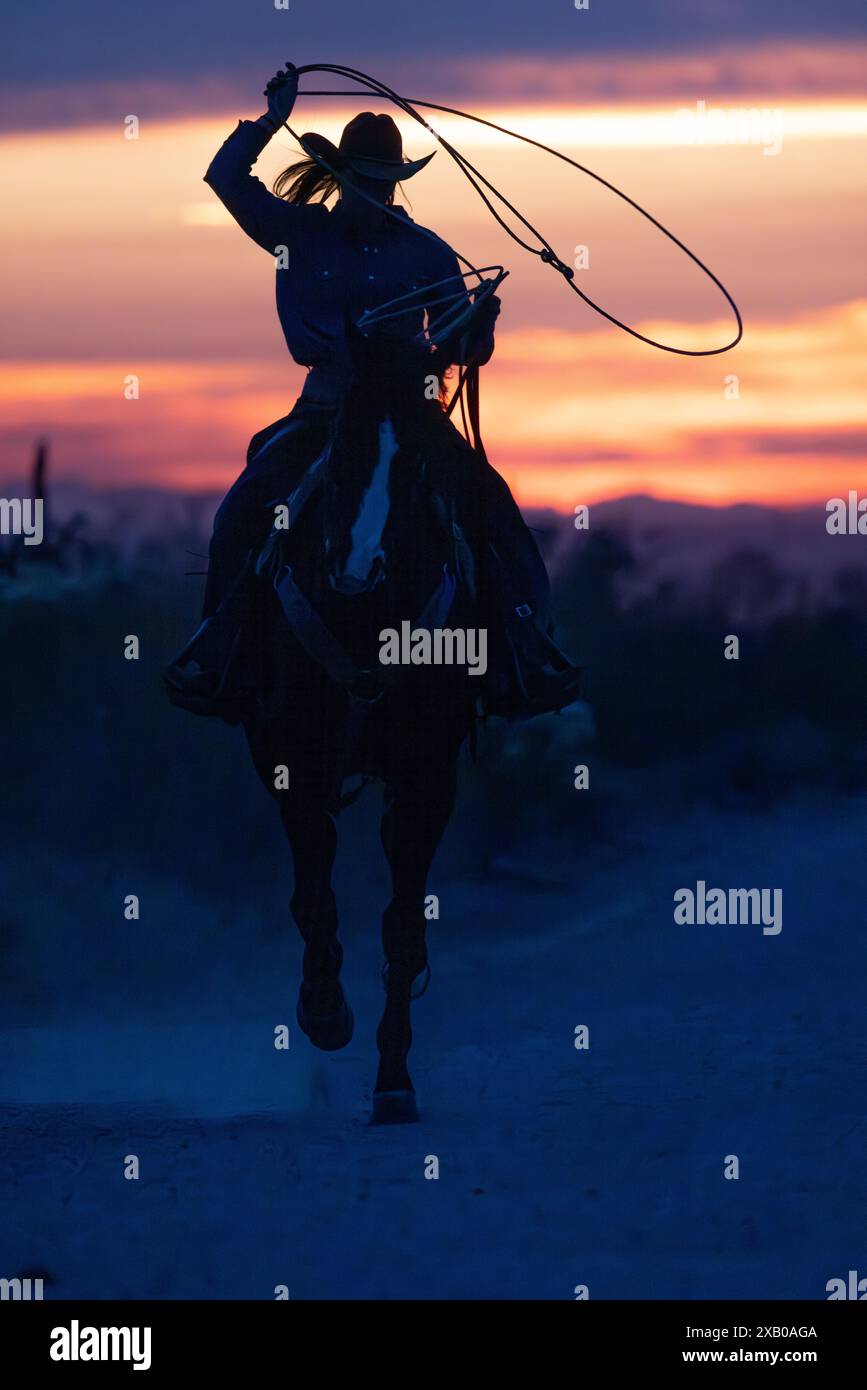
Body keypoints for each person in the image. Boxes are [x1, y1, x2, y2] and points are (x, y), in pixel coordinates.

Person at [167, 61, 579, 721]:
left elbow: (464, 351)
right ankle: (222, 654)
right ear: (340, 179)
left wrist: (479, 328)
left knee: (494, 513)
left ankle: (522, 653)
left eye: (387, 186)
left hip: (411, 416)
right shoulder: (295, 232)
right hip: (323, 411)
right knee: (240, 515)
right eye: (366, 183)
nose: (377, 197)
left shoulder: (424, 251)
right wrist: (270, 122)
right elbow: (224, 179)